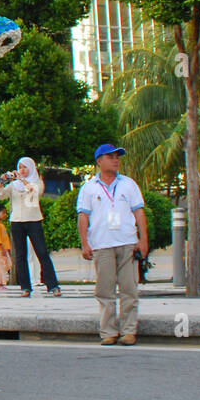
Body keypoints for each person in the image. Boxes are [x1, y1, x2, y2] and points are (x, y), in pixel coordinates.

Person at [77, 144, 149, 346]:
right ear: (99, 161)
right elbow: (83, 216)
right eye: (110, 157)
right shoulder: (89, 188)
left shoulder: (128, 184)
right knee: (105, 289)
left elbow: (139, 212)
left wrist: (143, 239)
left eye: (117, 157)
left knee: (129, 288)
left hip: (127, 242)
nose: (116, 160)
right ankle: (108, 331)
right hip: (102, 244)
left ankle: (128, 330)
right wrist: (85, 244)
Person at [0, 156, 61, 297]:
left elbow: (34, 192)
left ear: (31, 168)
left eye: (25, 167)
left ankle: (53, 285)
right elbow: (0, 195)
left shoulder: (37, 182)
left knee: (42, 252)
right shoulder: (14, 185)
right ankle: (25, 287)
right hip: (17, 221)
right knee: (20, 255)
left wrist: (21, 179)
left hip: (33, 220)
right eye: (20, 167)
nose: (22, 170)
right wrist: (1, 182)